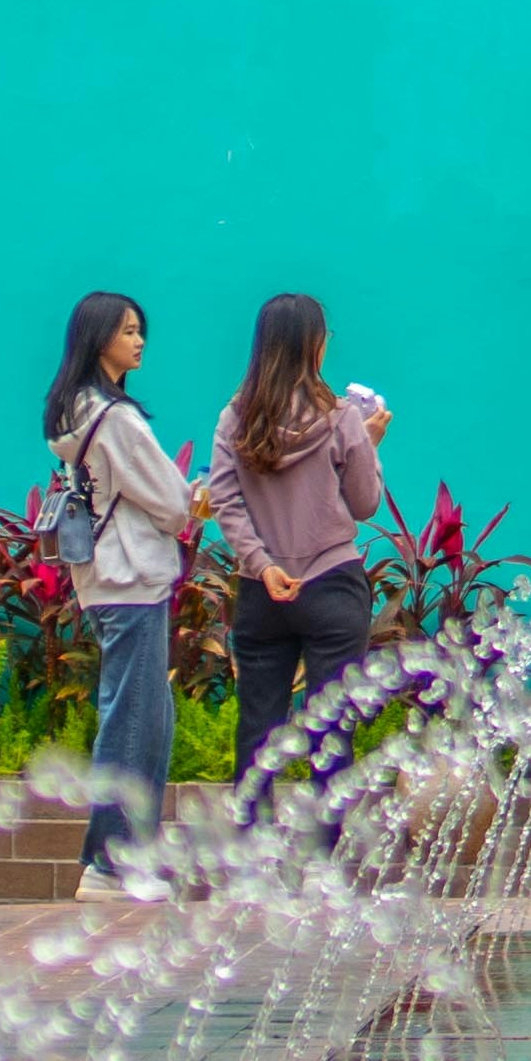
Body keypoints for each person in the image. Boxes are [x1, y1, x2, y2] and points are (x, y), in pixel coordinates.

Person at [202, 292, 390, 823]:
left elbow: (225, 501)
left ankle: (250, 848)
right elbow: (365, 503)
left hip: (262, 590)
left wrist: (263, 565)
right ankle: (322, 854)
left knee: (257, 727)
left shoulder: (235, 418)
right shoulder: (341, 418)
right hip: (332, 582)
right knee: (331, 730)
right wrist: (370, 445)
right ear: (313, 346)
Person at [43, 288, 196, 869]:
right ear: (98, 338)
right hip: (133, 575)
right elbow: (173, 504)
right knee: (135, 720)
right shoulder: (117, 419)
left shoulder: (74, 413)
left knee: (146, 715)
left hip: (104, 575)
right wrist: (192, 501)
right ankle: (113, 861)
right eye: (128, 330)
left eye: (139, 330)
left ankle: (124, 857)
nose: (139, 340)